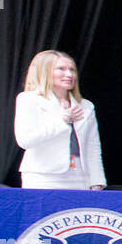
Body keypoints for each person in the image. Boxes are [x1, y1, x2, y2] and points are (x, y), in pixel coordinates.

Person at [14, 49, 106, 190]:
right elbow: (25, 140)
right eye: (61, 69)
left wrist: (97, 180)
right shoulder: (29, 99)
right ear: (44, 72)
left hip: (80, 177)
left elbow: (92, 146)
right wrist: (62, 120)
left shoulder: (86, 106)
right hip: (43, 177)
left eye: (72, 70)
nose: (69, 74)